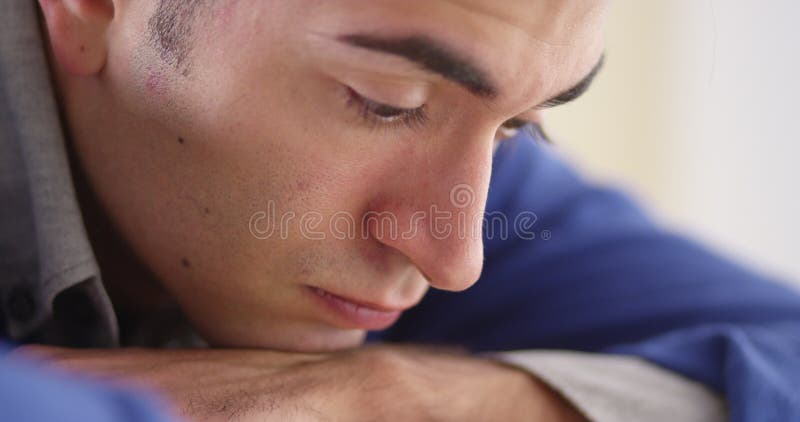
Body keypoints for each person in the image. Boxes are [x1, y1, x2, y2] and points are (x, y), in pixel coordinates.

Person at [1, 0, 799, 420]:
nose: (455, 259)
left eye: (525, 123)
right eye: (386, 104)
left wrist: (406, 402)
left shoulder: (467, 177)